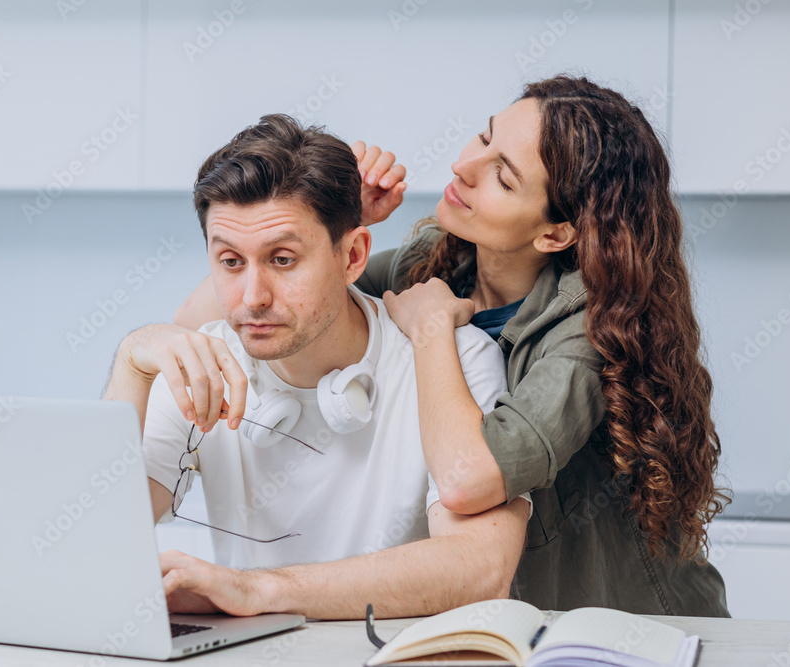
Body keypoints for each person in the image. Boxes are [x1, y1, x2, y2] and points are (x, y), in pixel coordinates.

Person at [175, 76, 731, 617]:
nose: (463, 166)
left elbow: (467, 480)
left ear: (555, 233)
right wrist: (334, 216)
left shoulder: (586, 330)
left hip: (641, 622)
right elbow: (214, 319)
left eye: (503, 177)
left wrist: (433, 330)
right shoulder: (441, 260)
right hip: (532, 618)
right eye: (485, 138)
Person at [102, 113, 531, 620]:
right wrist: (132, 365)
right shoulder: (205, 364)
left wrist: (257, 592)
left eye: (283, 260)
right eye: (231, 262)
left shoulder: (457, 359)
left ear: (353, 256)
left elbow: (478, 569)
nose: (252, 298)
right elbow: (97, 542)